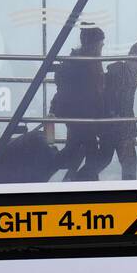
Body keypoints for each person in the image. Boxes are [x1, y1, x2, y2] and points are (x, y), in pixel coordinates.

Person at [94, 32, 137, 180]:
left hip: (119, 125)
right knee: (125, 162)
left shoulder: (129, 73)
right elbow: (111, 97)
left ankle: (81, 178)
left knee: (108, 159)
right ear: (136, 57)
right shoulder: (120, 71)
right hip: (117, 124)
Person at [51, 25, 106, 180]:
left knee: (74, 150)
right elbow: (87, 90)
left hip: (79, 114)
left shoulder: (81, 60)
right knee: (89, 152)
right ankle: (80, 181)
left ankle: (57, 172)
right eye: (100, 43)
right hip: (82, 114)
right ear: (93, 44)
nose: (102, 46)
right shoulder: (84, 62)